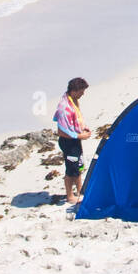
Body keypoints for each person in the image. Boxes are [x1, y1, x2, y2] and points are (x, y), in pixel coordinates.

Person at [54, 77, 91, 205]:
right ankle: (70, 196)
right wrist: (80, 136)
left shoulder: (73, 100)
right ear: (74, 90)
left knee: (78, 166)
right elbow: (61, 131)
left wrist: (83, 129)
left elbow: (75, 121)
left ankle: (80, 190)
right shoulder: (64, 107)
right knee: (71, 169)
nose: (83, 94)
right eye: (81, 91)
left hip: (75, 140)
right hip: (68, 142)